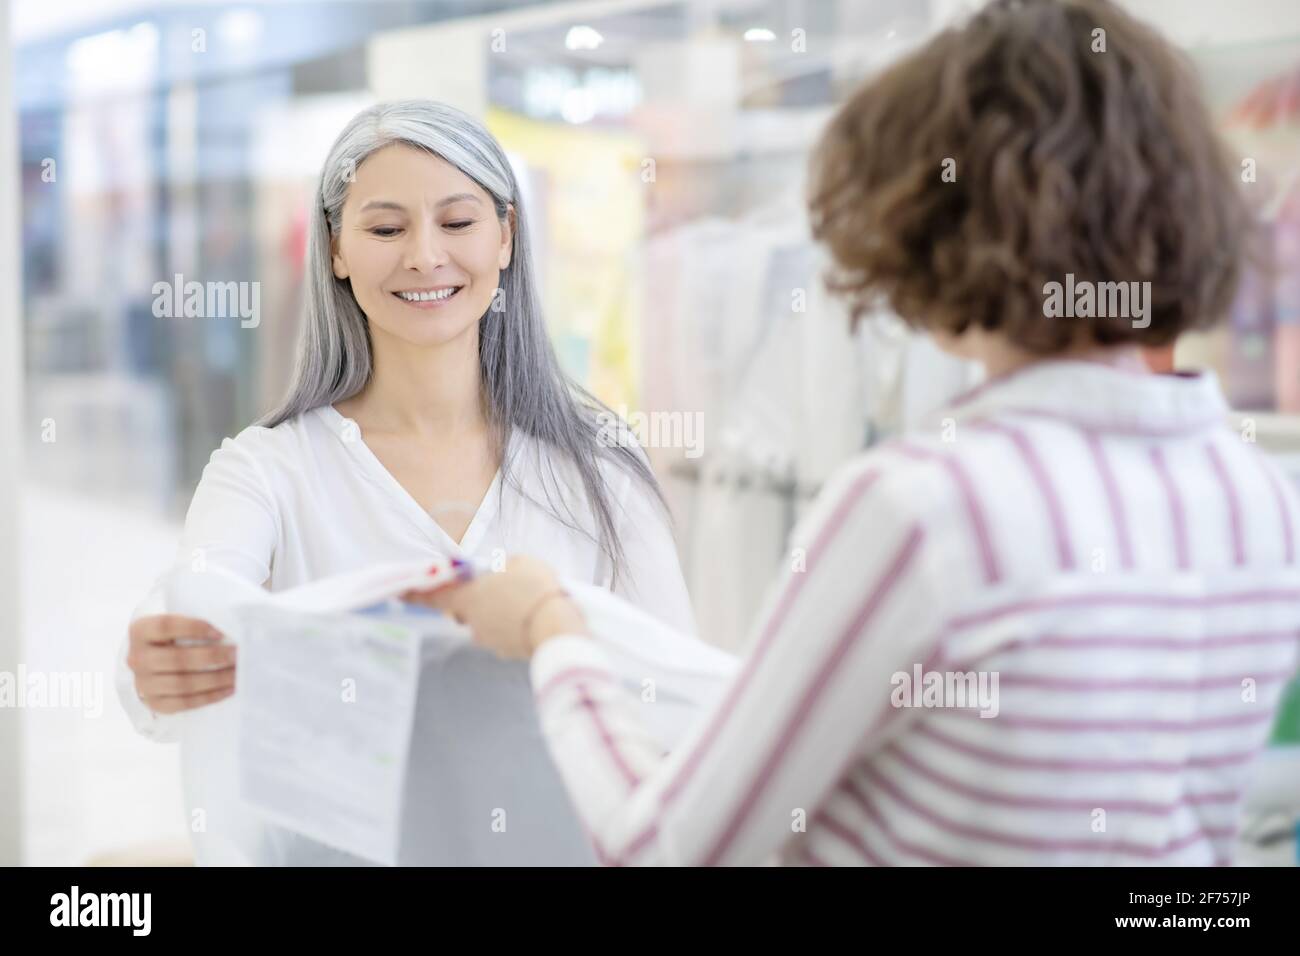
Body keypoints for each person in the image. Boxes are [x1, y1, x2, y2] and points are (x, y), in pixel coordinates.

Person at [411, 0, 1300, 865]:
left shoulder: (927, 507)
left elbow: (666, 846)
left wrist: (550, 630)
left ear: (929, 220)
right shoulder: (1254, 493)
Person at [116, 100, 694, 864]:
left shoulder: (598, 464)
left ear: (507, 237)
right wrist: (157, 666)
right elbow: (195, 602)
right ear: (336, 250)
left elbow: (675, 697)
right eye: (386, 229)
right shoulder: (268, 470)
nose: (425, 257)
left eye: (457, 223)